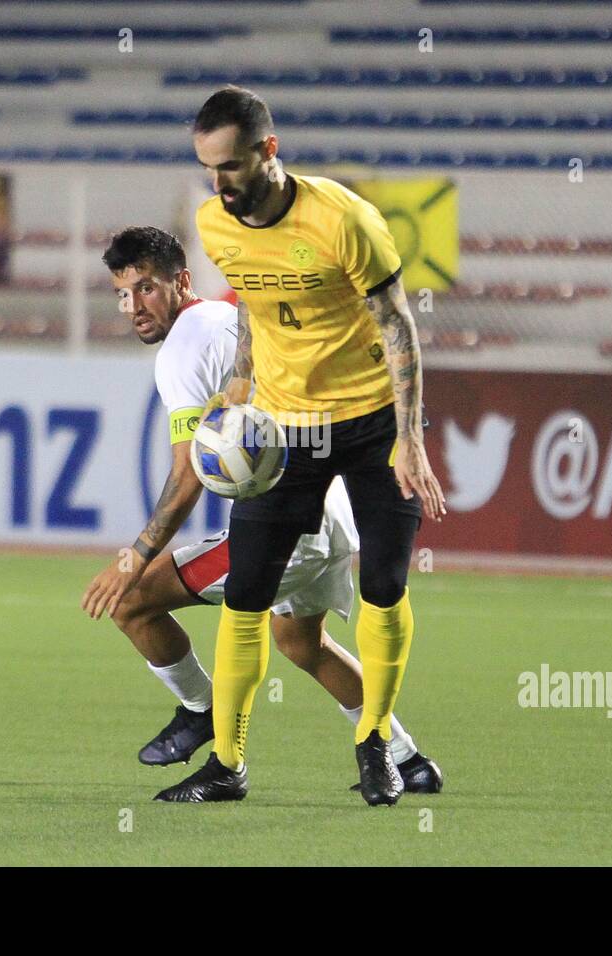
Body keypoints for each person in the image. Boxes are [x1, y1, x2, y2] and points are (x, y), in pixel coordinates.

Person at [154, 87, 446, 807]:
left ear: (269, 152)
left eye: (229, 167)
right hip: (283, 433)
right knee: (247, 598)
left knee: (383, 585)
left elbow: (398, 326)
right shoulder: (214, 225)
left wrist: (410, 437)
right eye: (207, 169)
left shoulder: (344, 219)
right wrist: (245, 378)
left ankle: (375, 742)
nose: (218, 183)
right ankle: (227, 764)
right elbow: (253, 300)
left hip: (372, 423)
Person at [80, 226, 442, 795]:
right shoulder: (234, 316)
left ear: (181, 281)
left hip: (288, 529)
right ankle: (407, 757)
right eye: (123, 293)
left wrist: (133, 556)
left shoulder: (181, 350)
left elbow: (186, 475)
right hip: (333, 514)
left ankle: (203, 714)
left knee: (133, 601)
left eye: (146, 288)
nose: (134, 307)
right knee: (302, 643)